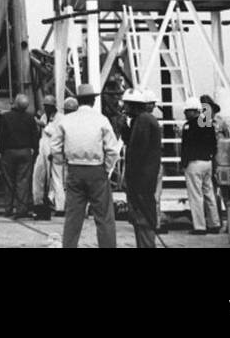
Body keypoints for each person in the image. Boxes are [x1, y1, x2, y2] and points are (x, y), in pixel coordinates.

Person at [52, 82, 120, 249]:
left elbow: (55, 147)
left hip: (74, 169)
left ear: (78, 101)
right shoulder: (101, 120)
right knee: (104, 217)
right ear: (93, 101)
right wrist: (106, 168)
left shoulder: (66, 121)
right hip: (96, 170)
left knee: (73, 216)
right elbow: (112, 150)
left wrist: (63, 162)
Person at [122, 87, 162, 249]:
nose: (124, 108)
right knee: (141, 219)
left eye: (126, 105)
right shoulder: (143, 120)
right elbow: (133, 143)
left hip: (141, 182)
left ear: (132, 105)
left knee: (143, 220)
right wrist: (125, 128)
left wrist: (128, 179)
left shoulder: (143, 121)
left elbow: (136, 152)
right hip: (144, 180)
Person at [0, 93, 40, 220]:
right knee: (23, 181)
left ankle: (8, 208)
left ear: (15, 103)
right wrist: (34, 150)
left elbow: (1, 135)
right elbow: (34, 136)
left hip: (9, 152)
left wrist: (0, 150)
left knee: (9, 181)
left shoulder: (6, 117)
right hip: (25, 152)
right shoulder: (30, 118)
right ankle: (21, 208)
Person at [181, 97, 220, 235]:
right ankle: (214, 223)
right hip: (207, 163)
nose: (185, 114)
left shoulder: (188, 126)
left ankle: (199, 226)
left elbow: (186, 147)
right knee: (209, 193)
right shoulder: (208, 124)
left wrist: (183, 163)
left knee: (196, 196)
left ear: (192, 111)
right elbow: (214, 145)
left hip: (194, 163)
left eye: (187, 111)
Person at [32, 95, 64, 219]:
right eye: (45, 106)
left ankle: (60, 207)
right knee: (38, 176)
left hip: (54, 151)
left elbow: (57, 134)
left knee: (56, 179)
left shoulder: (60, 118)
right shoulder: (44, 117)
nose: (46, 109)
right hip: (43, 150)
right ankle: (38, 203)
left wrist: (43, 125)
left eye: (48, 107)